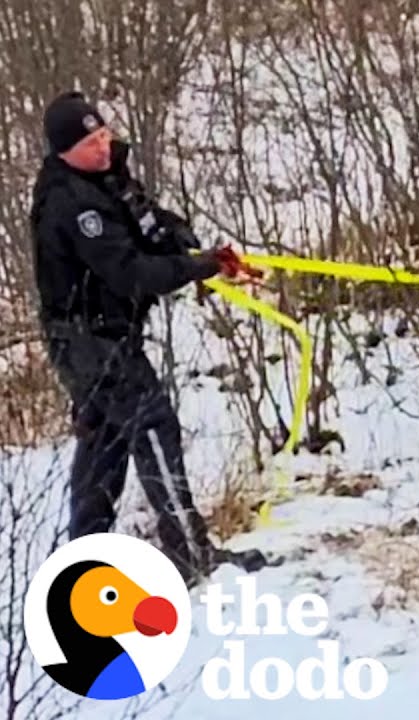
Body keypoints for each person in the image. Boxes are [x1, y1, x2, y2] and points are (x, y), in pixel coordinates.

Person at [29, 90, 269, 586]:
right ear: (65, 152)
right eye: (90, 143)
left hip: (106, 335)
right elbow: (131, 273)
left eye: (104, 135)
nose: (103, 146)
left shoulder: (106, 178)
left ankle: (81, 564)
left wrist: (187, 245)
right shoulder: (71, 204)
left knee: (107, 444)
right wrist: (199, 267)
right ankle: (190, 554)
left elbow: (148, 221)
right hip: (89, 340)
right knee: (152, 426)